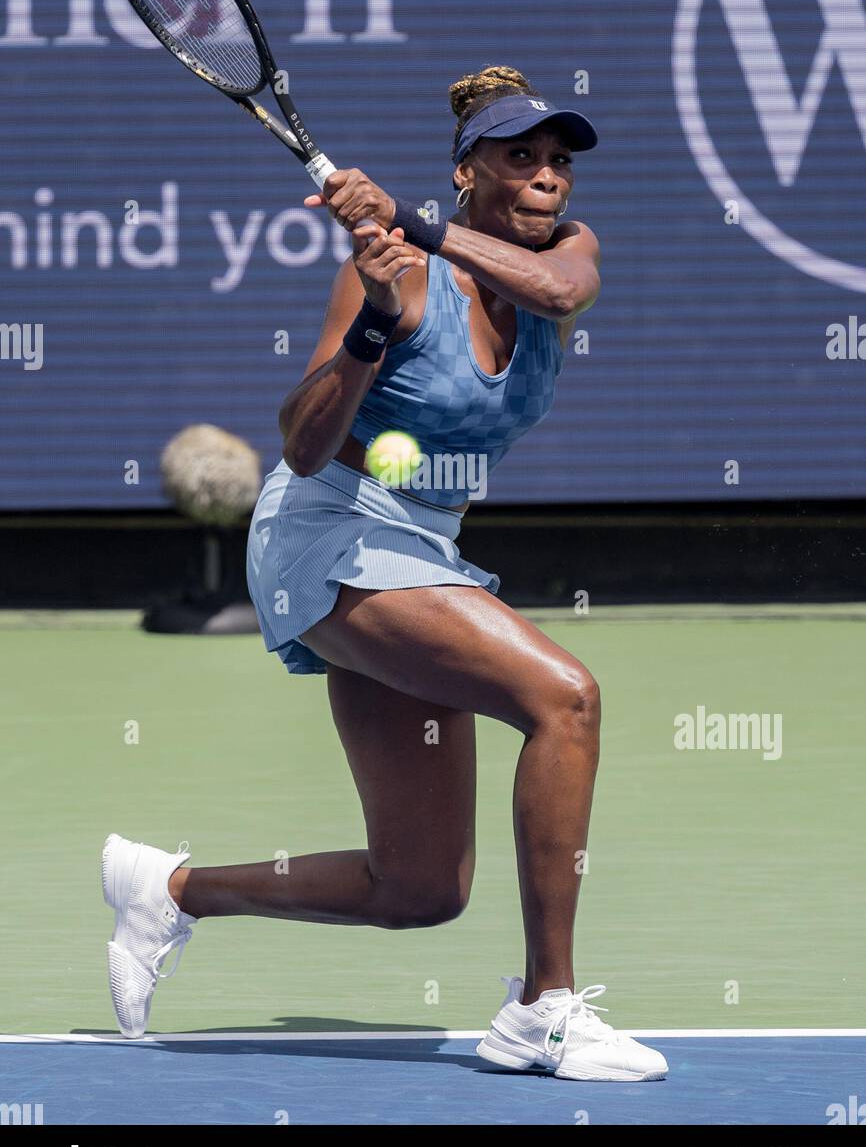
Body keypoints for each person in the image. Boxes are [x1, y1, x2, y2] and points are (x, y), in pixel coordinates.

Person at [103, 65, 667, 1082]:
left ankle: (171, 889)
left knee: (417, 887)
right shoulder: (398, 272)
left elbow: (552, 289)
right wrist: (374, 320)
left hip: (426, 548)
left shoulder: (566, 256)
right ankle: (542, 1006)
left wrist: (411, 219)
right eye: (519, 157)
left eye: (558, 160)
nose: (548, 175)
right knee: (564, 699)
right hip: (330, 532)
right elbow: (306, 445)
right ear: (469, 174)